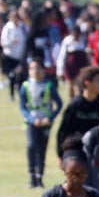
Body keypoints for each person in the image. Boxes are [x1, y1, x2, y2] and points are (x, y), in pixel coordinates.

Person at [19, 57, 63, 188]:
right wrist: (32, 119)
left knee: (42, 149)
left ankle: (40, 177)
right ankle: (31, 175)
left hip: (45, 123)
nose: (35, 71)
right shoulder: (25, 86)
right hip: (31, 122)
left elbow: (59, 104)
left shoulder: (48, 85)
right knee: (31, 145)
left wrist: (50, 118)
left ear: (43, 70)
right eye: (32, 68)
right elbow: (23, 106)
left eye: (38, 68)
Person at [57, 66, 99, 155]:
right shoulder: (75, 105)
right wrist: (60, 154)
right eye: (98, 81)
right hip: (76, 148)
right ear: (87, 83)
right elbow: (63, 131)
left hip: (97, 149)